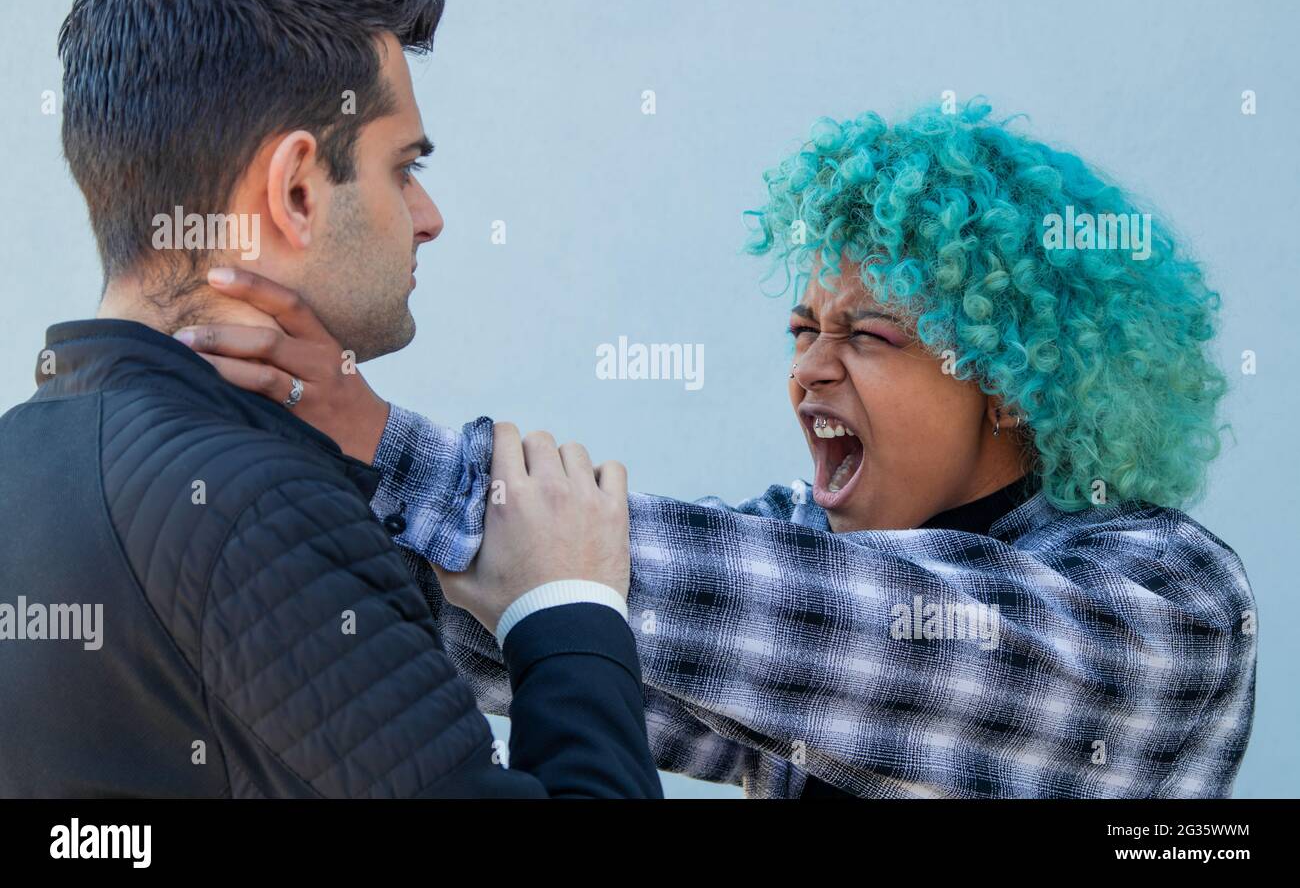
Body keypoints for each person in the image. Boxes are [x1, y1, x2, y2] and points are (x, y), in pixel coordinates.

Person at [183, 100, 1258, 798]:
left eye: (867, 335)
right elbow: (523, 630)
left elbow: (836, 626)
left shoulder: (1173, 596)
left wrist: (373, 435)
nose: (810, 370)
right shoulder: (802, 537)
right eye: (802, 330)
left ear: (1013, 382)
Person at [0, 0, 662, 799]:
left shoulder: (24, 463)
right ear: (297, 191)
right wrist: (568, 610)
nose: (428, 217)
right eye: (405, 167)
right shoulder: (258, 512)